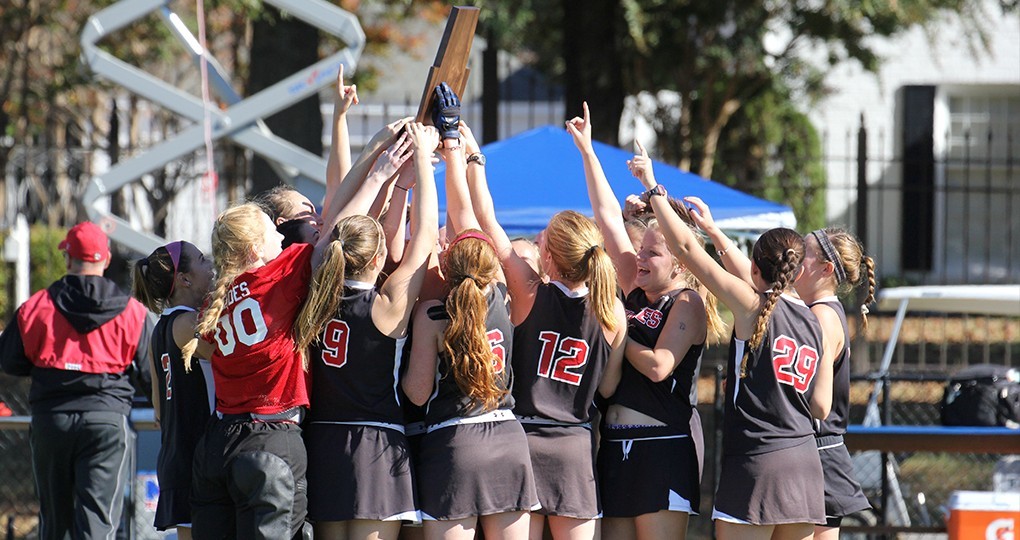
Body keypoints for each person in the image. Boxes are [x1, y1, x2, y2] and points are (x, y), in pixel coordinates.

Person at [628, 144, 829, 540]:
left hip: (758, 463)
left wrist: (653, 186)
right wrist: (716, 232)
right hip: (806, 465)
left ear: (755, 268)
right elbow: (821, 405)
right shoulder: (814, 317)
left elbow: (687, 250)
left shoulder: (754, 307)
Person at [457, 120, 629, 540]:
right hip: (575, 446)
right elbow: (607, 388)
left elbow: (486, 219)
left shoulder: (531, 292)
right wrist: (589, 152)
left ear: (547, 257)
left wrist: (474, 157)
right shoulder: (612, 311)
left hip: (524, 441)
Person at [566, 102, 723, 540]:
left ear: (679, 261)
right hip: (615, 445)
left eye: (653, 253)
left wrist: (617, 335)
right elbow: (606, 219)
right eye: (642, 251)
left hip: (662, 447)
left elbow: (658, 366)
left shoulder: (687, 301)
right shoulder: (633, 286)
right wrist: (588, 152)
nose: (640, 258)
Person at [295, 120, 439, 540]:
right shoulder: (387, 305)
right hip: (374, 444)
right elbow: (426, 234)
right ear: (378, 259)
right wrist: (422, 170)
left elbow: (332, 221)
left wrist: (377, 157)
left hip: (322, 442)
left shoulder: (313, 292)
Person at [0, 221, 153, 540]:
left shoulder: (38, 306)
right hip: (106, 422)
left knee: (54, 521)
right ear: (107, 260)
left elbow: (10, 360)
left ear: (68, 260)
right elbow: (149, 375)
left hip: (52, 421)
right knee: (98, 522)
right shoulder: (132, 312)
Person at [403, 230, 539, 540]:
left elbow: (417, 392)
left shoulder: (433, 314)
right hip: (508, 437)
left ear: (448, 266)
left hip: (455, 441)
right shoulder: (505, 298)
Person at [132, 240, 216, 539]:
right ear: (184, 279)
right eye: (203, 260)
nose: (211, 266)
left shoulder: (160, 329)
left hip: (176, 456)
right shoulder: (189, 323)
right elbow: (236, 358)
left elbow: (158, 406)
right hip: (199, 454)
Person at [796, 228, 875, 540]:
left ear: (826, 269)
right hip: (816, 452)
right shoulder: (817, 312)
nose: (795, 258)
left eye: (804, 253)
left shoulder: (822, 317)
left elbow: (813, 396)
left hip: (818, 453)